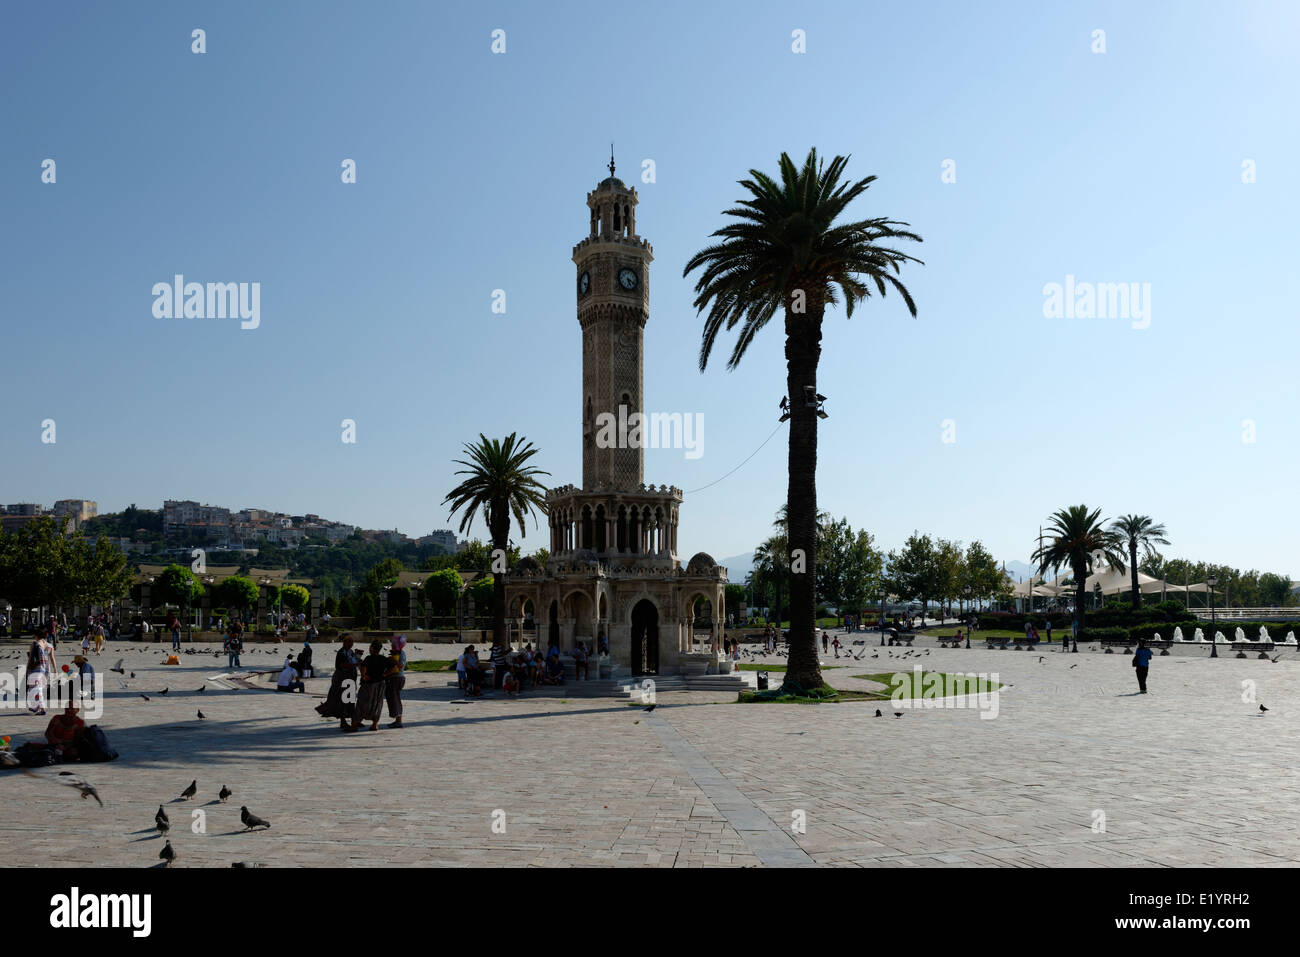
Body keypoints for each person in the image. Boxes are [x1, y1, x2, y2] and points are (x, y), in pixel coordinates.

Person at [316, 635, 359, 730]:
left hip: (350, 679)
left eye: (352, 642)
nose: (352, 644)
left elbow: (354, 661)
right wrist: (355, 664)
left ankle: (353, 721)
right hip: (342, 679)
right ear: (345, 642)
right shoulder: (341, 652)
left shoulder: (350, 652)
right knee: (342, 700)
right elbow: (342, 665)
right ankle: (343, 722)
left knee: (351, 700)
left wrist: (357, 658)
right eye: (350, 642)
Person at [350, 640, 389, 731]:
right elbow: (394, 667)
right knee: (377, 704)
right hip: (380, 684)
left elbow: (363, 667)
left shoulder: (369, 658)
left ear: (372, 648)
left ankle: (354, 725)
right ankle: (375, 724)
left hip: (369, 684)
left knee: (361, 703)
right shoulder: (383, 658)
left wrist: (363, 676)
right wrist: (385, 674)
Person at [27, 628, 55, 715]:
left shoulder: (35, 644)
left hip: (36, 669)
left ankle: (38, 707)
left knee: (34, 689)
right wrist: (55, 669)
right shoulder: (50, 645)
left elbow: (30, 658)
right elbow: (52, 659)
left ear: (36, 635)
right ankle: (40, 708)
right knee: (39, 689)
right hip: (46, 670)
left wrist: (27, 669)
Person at [385, 635, 407, 728]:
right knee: (395, 698)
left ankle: (398, 720)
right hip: (396, 678)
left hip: (396, 678)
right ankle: (397, 719)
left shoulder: (401, 653)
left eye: (394, 644)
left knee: (395, 699)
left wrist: (393, 660)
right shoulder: (397, 653)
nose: (392, 645)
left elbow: (400, 666)